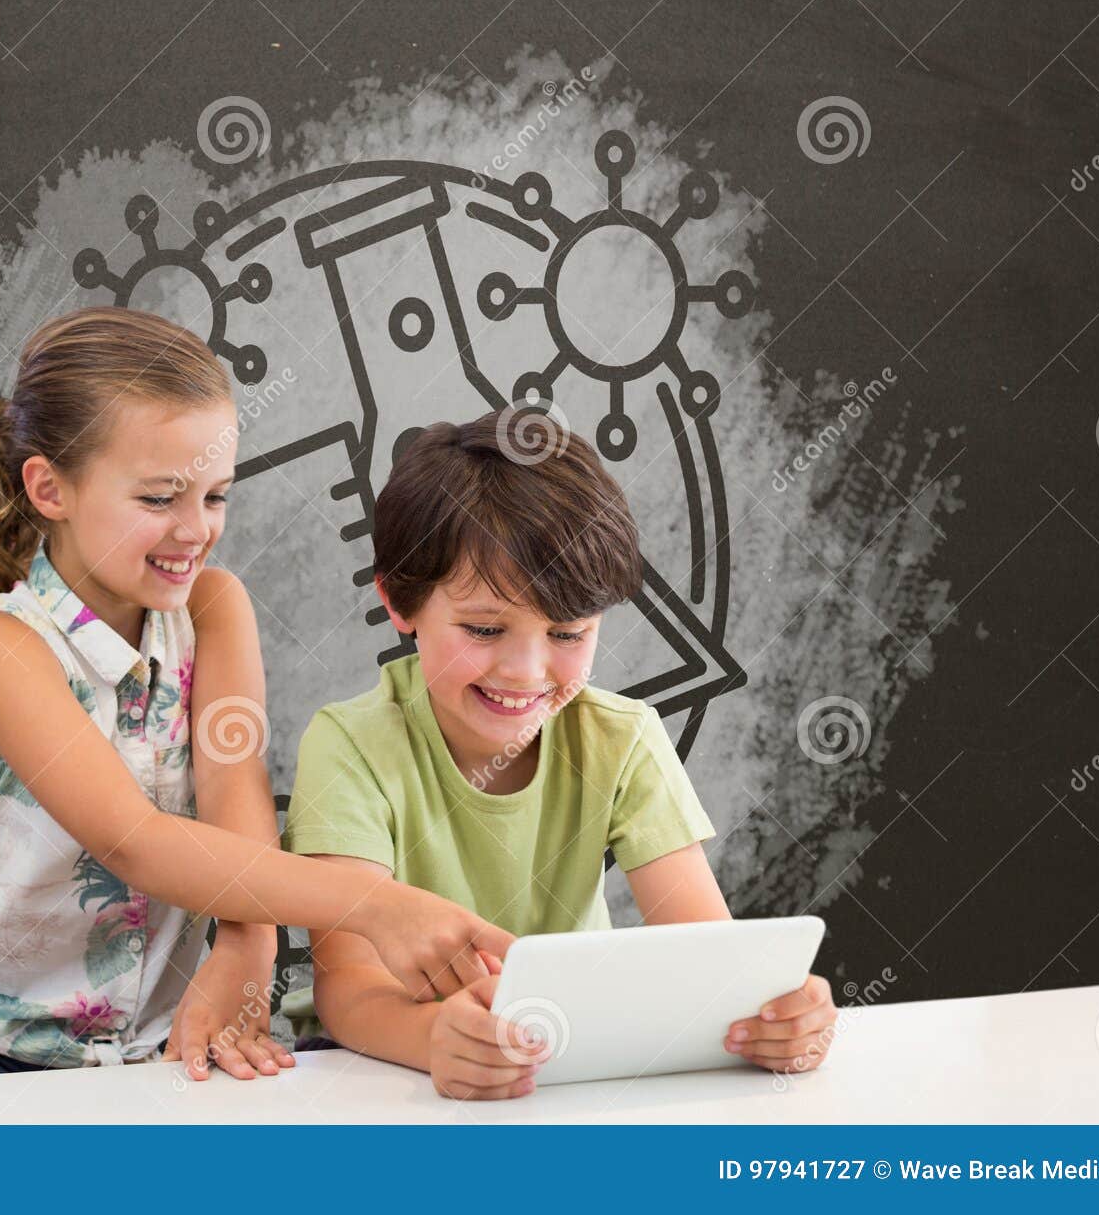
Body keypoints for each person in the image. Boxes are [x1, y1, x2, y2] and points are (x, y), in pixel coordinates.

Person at [0, 308, 512, 1084]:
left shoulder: (212, 609)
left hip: (152, 1045)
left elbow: (236, 797)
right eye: (160, 498)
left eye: (214, 496)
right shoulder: (3, 647)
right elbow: (131, 840)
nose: (195, 529)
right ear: (50, 489)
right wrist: (371, 903)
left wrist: (247, 944)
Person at [280, 412, 837, 1100]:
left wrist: (774, 1014)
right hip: (374, 1075)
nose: (525, 670)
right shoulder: (351, 744)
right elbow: (348, 987)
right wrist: (434, 1038)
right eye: (485, 628)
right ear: (399, 601)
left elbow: (707, 955)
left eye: (568, 631)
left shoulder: (621, 737)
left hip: (561, 1070)